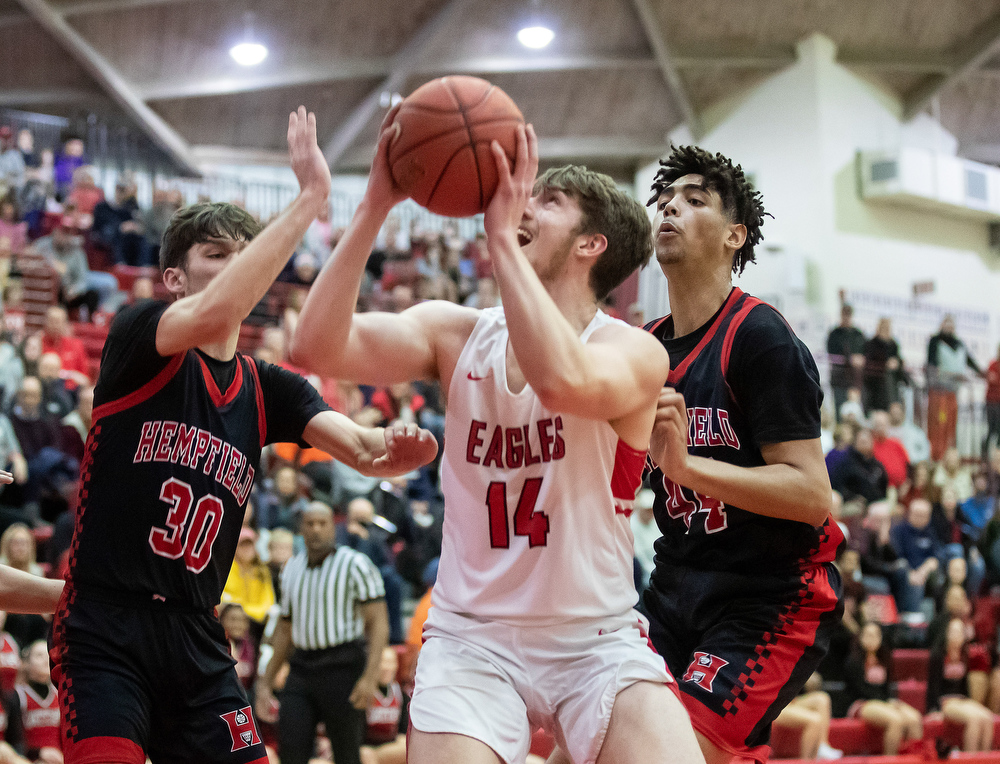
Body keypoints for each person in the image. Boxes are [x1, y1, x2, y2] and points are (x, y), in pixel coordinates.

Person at [291, 115, 703, 764]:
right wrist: (373, 204)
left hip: (594, 638)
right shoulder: (455, 333)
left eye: (549, 200)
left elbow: (565, 383)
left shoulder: (634, 350)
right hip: (471, 639)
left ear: (591, 245)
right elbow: (314, 346)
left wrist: (502, 247)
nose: (523, 205)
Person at [48, 107, 439, 764]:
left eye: (244, 254)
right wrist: (312, 197)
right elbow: (220, 308)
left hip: (197, 634)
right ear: (175, 279)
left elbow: (360, 448)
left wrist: (394, 450)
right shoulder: (142, 335)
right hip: (106, 625)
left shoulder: (268, 387)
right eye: (216, 255)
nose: (238, 267)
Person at [638, 145, 843, 764]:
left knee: (672, 752)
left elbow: (812, 496)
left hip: (767, 597)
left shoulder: (759, 336)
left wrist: (688, 468)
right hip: (674, 588)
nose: (672, 206)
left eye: (694, 200)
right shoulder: (643, 349)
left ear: (735, 236)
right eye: (667, 199)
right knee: (586, 744)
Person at [255, 501, 388, 764]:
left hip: (343, 665)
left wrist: (370, 676)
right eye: (310, 523)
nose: (316, 529)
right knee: (291, 749)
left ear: (333, 527)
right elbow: (284, 629)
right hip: (302, 666)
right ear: (300, 529)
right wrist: (266, 680)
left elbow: (379, 623)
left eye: (322, 523)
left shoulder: (355, 564)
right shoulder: (290, 568)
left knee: (347, 754)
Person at [843, 622, 923, 755]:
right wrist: (886, 703)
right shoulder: (853, 661)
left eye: (875, 635)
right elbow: (859, 690)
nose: (872, 639)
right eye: (868, 635)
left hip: (882, 701)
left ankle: (912, 758)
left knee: (914, 718)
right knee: (895, 720)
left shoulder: (885, 658)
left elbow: (887, 687)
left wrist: (891, 701)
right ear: (861, 638)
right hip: (862, 703)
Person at [927, 617, 996, 752]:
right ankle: (970, 759)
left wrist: (970, 701)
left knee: (988, 718)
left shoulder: (964, 654)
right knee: (974, 719)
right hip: (946, 701)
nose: (956, 635)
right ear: (947, 633)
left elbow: (965, 686)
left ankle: (984, 759)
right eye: (952, 631)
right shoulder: (938, 655)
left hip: (962, 700)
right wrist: (933, 709)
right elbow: (932, 685)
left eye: (959, 632)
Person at [927, 316, 983, 461]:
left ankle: (948, 456)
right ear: (942, 325)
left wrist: (981, 373)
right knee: (939, 425)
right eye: (947, 324)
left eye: (952, 325)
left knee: (950, 426)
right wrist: (950, 375)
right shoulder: (935, 341)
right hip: (939, 393)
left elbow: (970, 361)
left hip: (952, 392)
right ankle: (936, 456)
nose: (950, 327)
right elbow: (931, 365)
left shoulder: (959, 344)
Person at [827, 305, 866, 422]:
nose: (846, 317)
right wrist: (850, 358)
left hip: (856, 380)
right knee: (841, 414)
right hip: (840, 380)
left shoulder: (858, 334)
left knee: (857, 413)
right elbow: (833, 352)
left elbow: (865, 352)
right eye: (845, 314)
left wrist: (861, 358)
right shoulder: (835, 334)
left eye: (848, 314)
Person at [985, 344, 1000, 460]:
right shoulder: (993, 365)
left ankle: (997, 457)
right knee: (992, 430)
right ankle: (985, 456)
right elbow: (992, 381)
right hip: (992, 403)